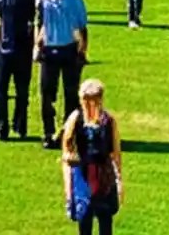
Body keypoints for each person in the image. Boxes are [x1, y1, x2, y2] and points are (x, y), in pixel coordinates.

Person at [61, 79, 123, 235]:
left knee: (105, 221)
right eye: (85, 102)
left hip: (104, 177)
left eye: (92, 102)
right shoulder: (75, 119)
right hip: (82, 177)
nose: (88, 106)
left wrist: (119, 181)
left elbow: (116, 154)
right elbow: (66, 155)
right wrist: (69, 191)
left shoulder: (109, 121)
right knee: (85, 220)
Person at [36, 0, 89, 149]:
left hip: (69, 50)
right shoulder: (42, 0)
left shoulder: (75, 0)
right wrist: (37, 47)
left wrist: (82, 52)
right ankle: (48, 132)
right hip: (49, 51)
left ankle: (69, 132)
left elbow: (82, 28)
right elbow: (39, 24)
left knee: (71, 94)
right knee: (46, 94)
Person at [0, 0, 37, 139]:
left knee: (22, 91)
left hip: (21, 48)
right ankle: (3, 125)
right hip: (6, 48)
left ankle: (20, 125)